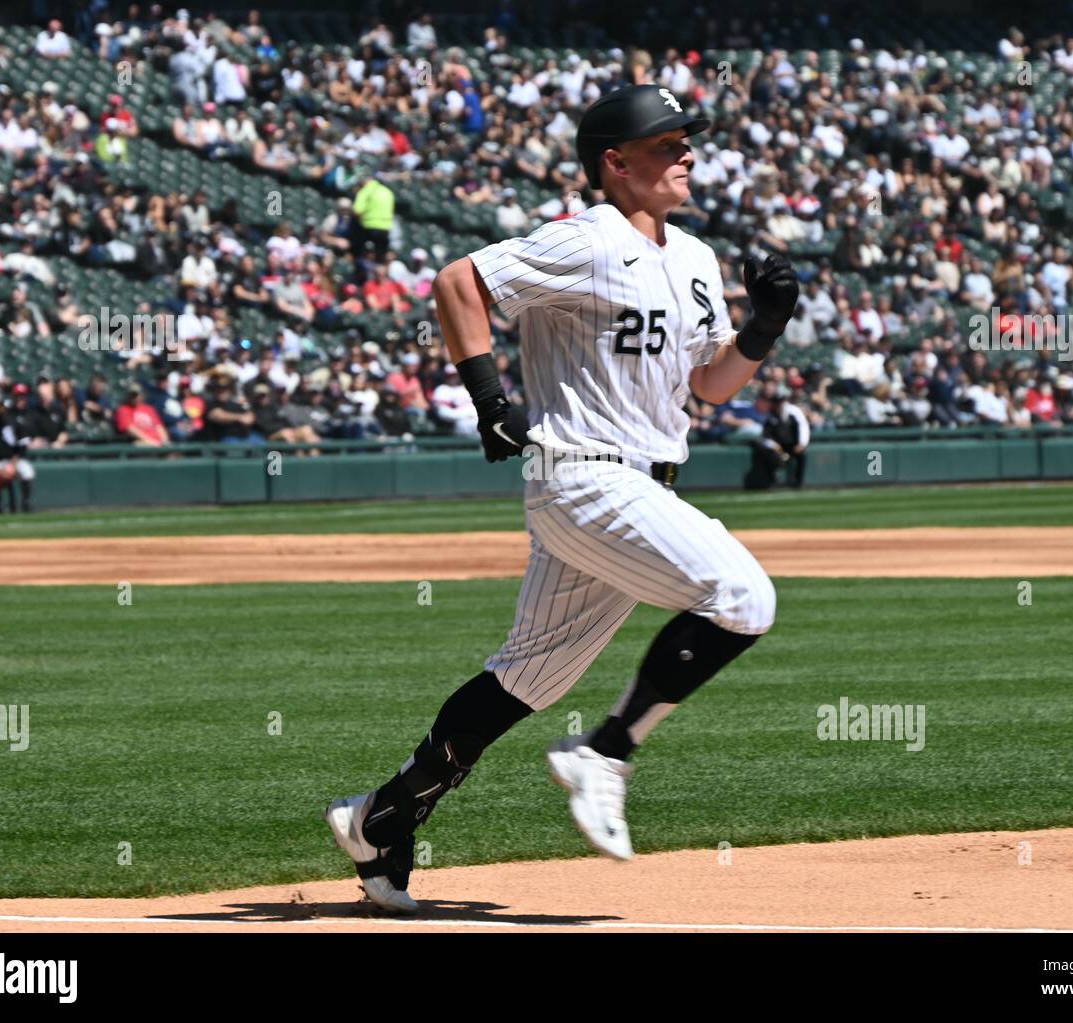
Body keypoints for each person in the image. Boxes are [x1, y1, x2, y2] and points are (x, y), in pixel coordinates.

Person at [324, 84, 798, 913]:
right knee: (743, 596)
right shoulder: (585, 239)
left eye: (688, 142)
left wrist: (764, 325)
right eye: (668, 145)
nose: (687, 154)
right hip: (584, 473)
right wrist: (488, 398)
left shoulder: (693, 258)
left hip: (636, 481)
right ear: (614, 163)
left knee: (525, 680)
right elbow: (457, 283)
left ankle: (381, 820)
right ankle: (608, 750)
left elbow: (711, 383)